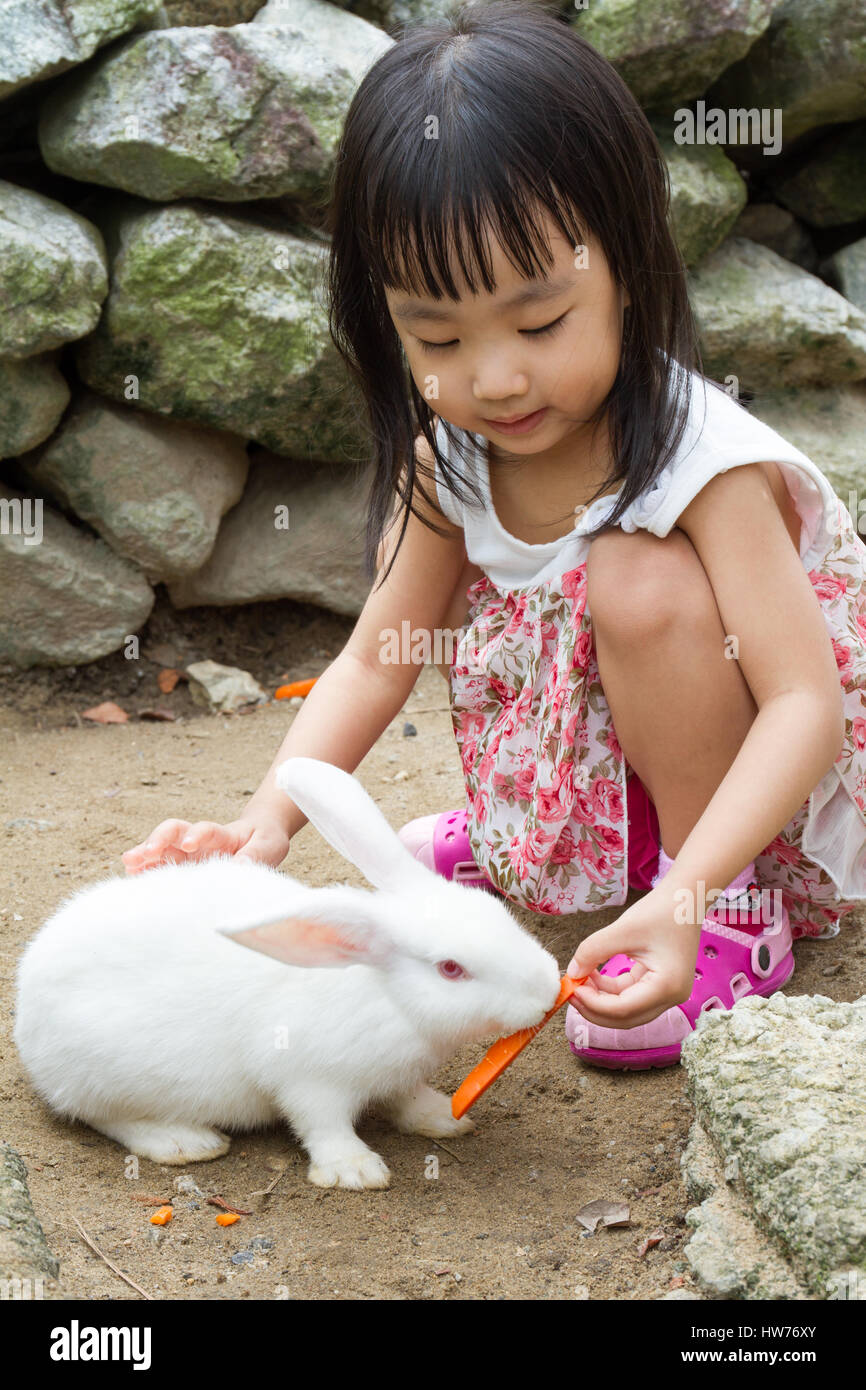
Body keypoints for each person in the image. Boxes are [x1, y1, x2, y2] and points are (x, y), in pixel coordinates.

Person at [122, 0, 866, 1069]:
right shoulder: (453, 456)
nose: (496, 377)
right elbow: (376, 662)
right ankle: (549, 832)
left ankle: (718, 900)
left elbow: (803, 704)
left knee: (632, 576)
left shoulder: (702, 460)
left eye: (539, 321)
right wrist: (265, 824)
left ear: (626, 264)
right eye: (437, 334)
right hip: (622, 733)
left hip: (754, 772)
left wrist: (687, 895)